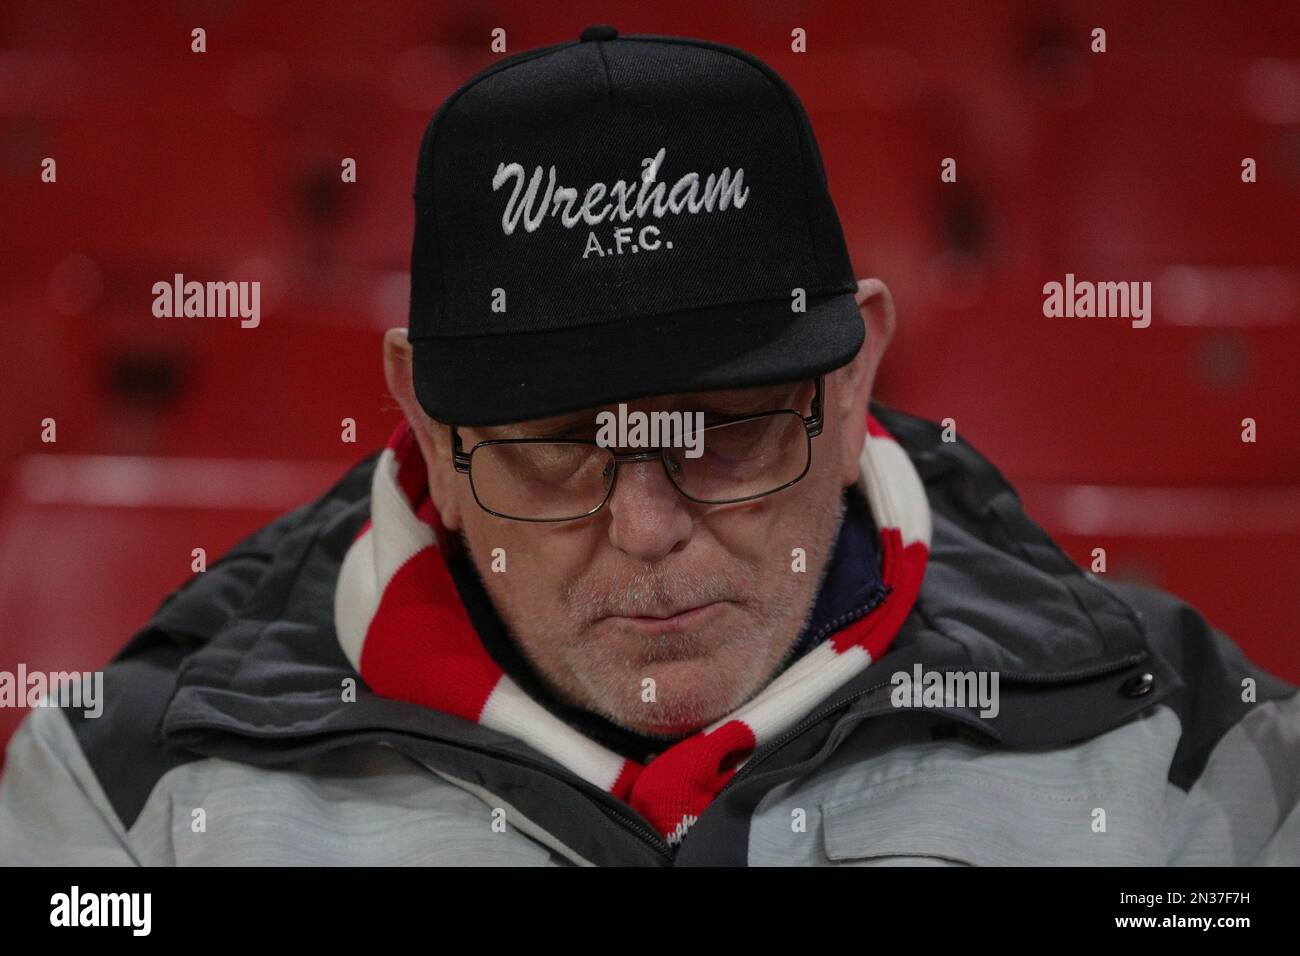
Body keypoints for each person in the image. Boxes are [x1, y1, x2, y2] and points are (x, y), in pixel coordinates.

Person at [1, 26, 1295, 867]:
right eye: (556, 447)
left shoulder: (1190, 759)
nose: (647, 527)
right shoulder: (130, 803)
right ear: (427, 425)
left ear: (849, 390)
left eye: (724, 436)